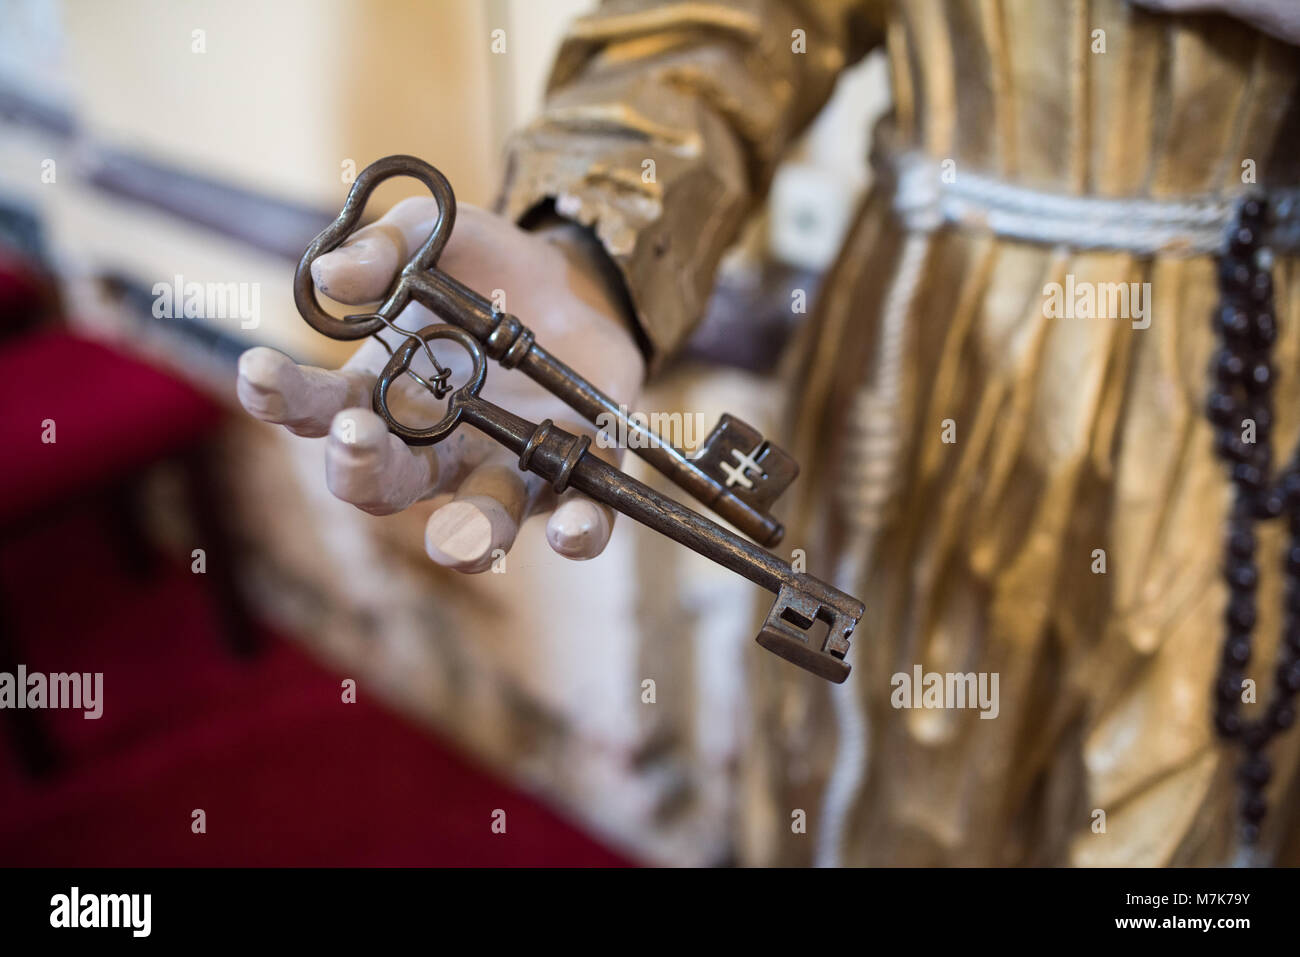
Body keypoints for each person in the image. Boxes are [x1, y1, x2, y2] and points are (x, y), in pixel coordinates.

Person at [237, 0, 1300, 865]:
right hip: (933, 367)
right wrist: (591, 254)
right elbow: (717, 21)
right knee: (884, 794)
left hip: (1259, 395)